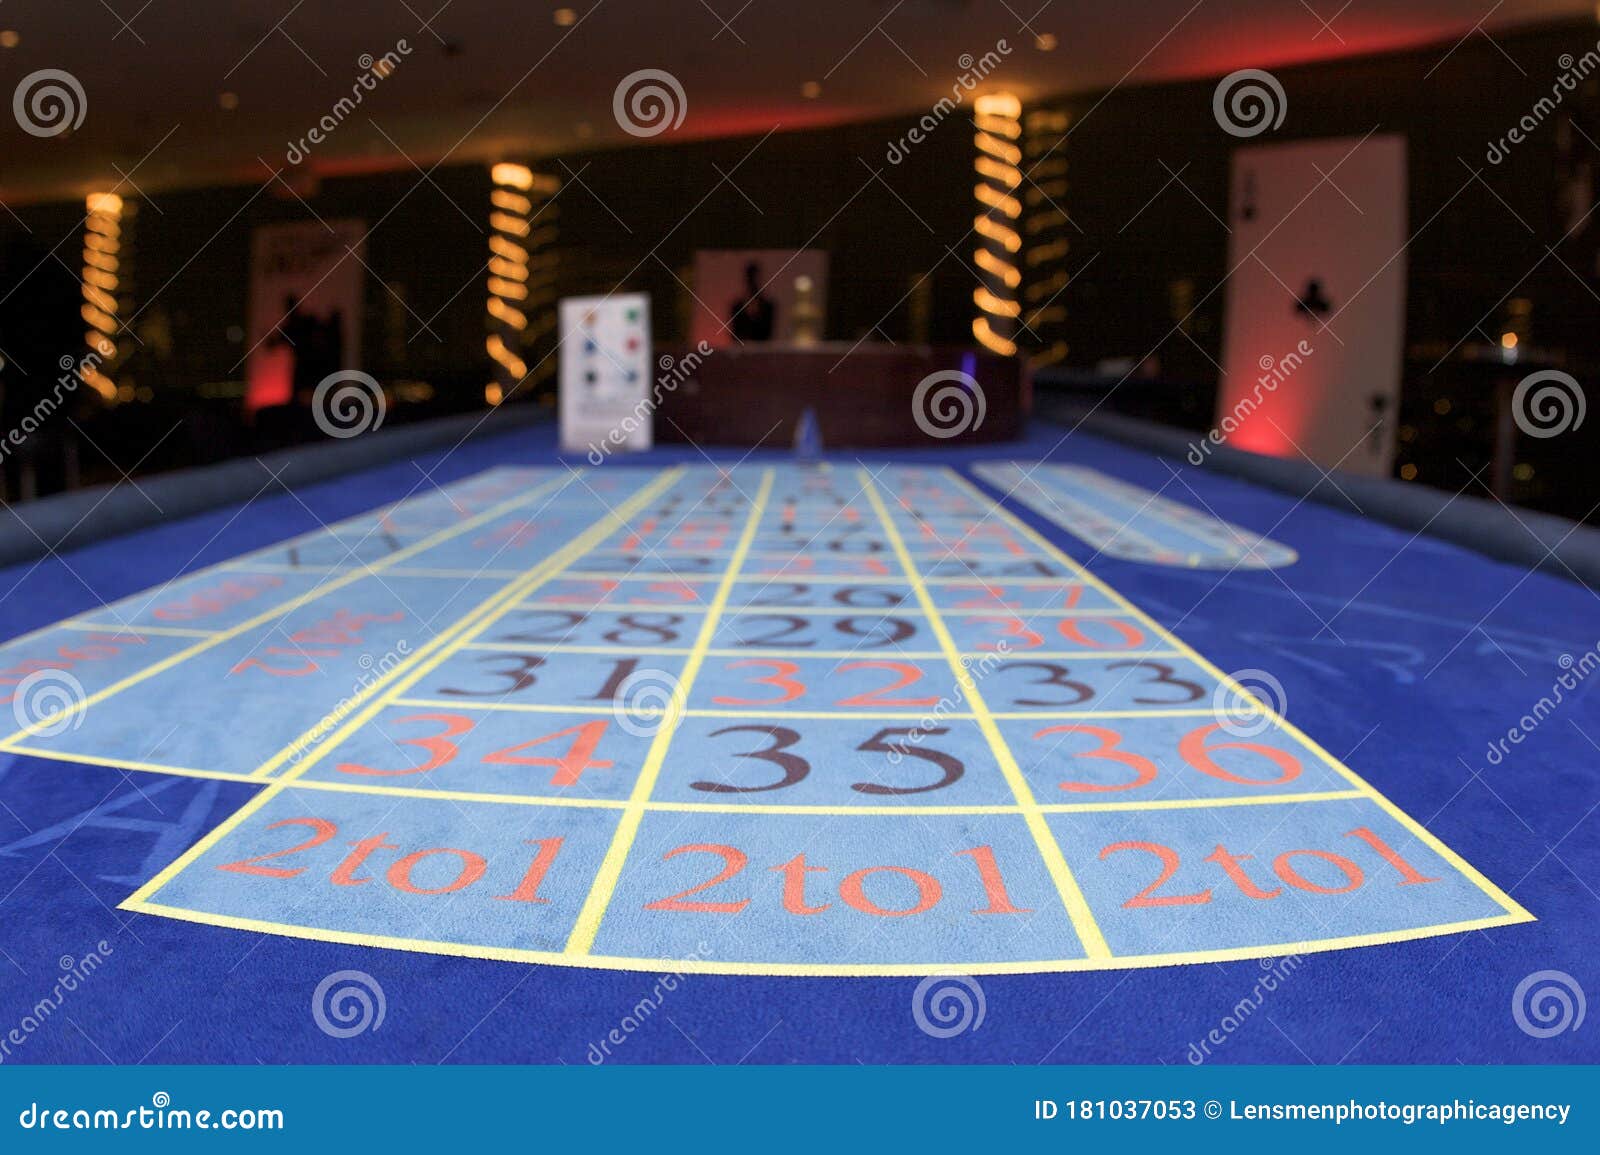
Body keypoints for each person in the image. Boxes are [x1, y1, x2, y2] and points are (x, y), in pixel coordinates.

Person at [727, 261, 775, 341]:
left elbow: (768, 334)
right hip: (742, 351)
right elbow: (735, 334)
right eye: (751, 278)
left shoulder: (768, 306)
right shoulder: (737, 307)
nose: (753, 283)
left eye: (755, 278)